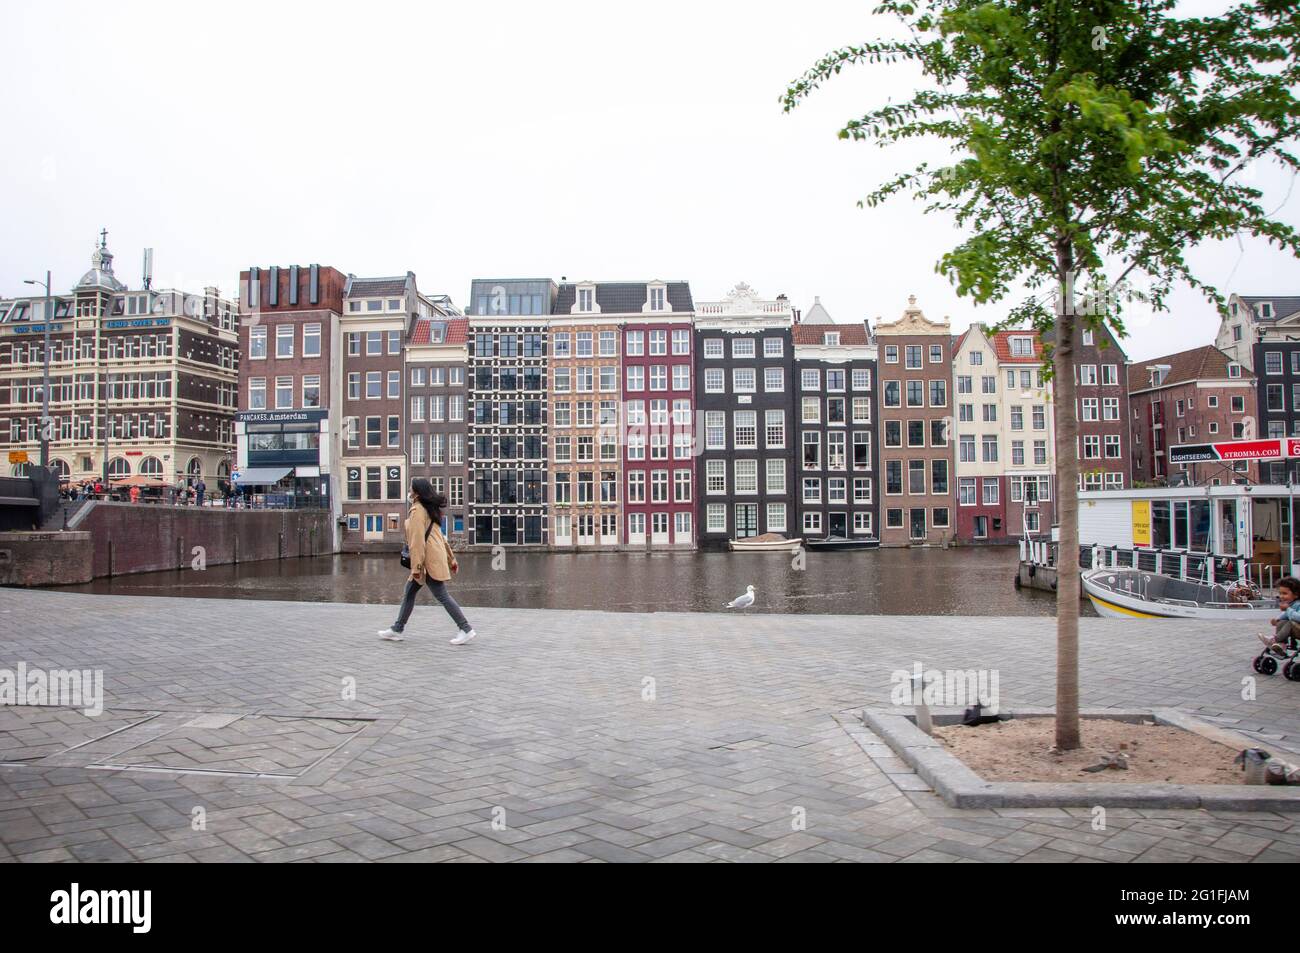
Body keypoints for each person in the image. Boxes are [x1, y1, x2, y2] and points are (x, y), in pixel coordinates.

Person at [377, 479, 477, 645]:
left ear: (416, 492)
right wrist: (451, 559)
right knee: (409, 592)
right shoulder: (430, 510)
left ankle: (466, 628)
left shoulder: (417, 510)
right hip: (432, 558)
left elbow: (417, 542)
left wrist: (416, 567)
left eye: (411, 487)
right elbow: (440, 539)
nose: (409, 489)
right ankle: (397, 628)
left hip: (427, 561)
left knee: (441, 595)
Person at [1258, 576, 1300, 658]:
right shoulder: (1291, 604)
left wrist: (1287, 609)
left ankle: (1274, 640)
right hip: (1296, 629)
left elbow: (1298, 617)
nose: (1281, 596)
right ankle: (1281, 646)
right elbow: (1285, 615)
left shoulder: (1298, 604)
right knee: (1282, 622)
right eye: (1280, 593)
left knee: (1290, 623)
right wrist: (1278, 619)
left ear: (1296, 594)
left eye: (1284, 594)